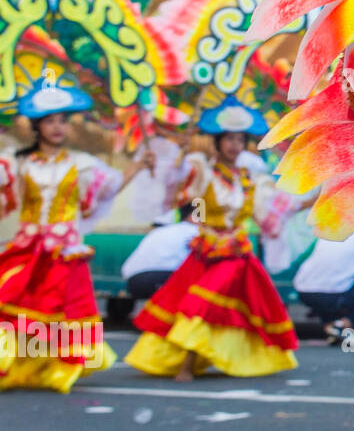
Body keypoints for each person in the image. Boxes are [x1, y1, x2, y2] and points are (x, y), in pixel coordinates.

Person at [125, 96, 299, 380]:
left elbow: (266, 217)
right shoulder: (202, 170)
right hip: (206, 252)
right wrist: (178, 165)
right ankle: (187, 362)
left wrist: (304, 202)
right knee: (196, 304)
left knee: (212, 306)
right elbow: (183, 197)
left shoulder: (249, 179)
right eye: (229, 139)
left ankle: (202, 362)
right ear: (217, 142)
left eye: (239, 140)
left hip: (237, 256)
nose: (234, 145)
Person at [0, 76, 154, 391]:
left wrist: (136, 169)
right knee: (14, 303)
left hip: (66, 253)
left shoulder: (82, 164)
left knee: (62, 312)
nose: (57, 127)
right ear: (36, 126)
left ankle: (56, 368)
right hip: (29, 248)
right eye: (49, 121)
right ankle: (20, 364)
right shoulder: (18, 163)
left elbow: (107, 191)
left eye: (62, 121)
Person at [112, 204, 201, 323]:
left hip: (133, 281)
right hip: (163, 279)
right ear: (192, 216)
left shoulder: (160, 231)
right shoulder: (195, 232)